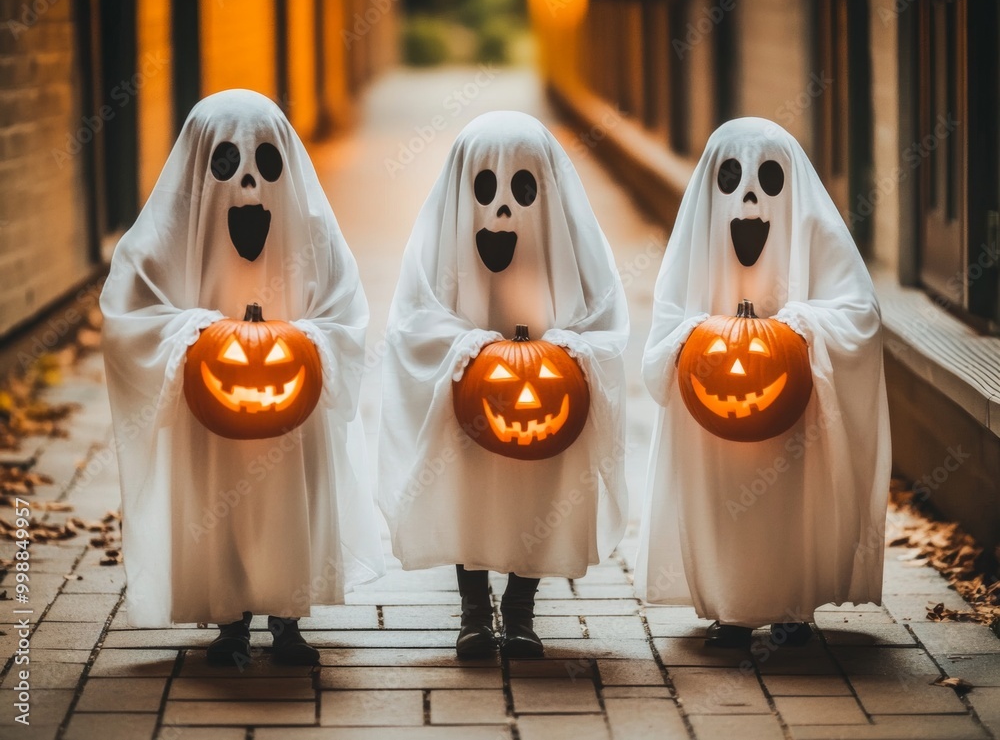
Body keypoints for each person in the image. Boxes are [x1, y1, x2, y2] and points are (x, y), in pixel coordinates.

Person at [100, 89, 383, 666]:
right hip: (210, 405)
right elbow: (129, 315)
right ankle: (230, 621)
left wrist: (303, 343)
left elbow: (345, 310)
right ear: (203, 159)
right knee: (217, 509)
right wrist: (198, 335)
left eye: (265, 163)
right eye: (229, 164)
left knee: (289, 507)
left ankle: (287, 619)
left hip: (291, 405)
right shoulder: (168, 233)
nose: (250, 183)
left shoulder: (311, 231)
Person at [378, 111, 629, 658]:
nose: (503, 209)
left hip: (545, 393)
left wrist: (564, 353)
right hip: (470, 392)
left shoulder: (575, 246)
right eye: (486, 188)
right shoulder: (438, 244)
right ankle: (473, 610)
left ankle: (520, 608)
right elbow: (412, 321)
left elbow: (605, 321)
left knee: (535, 495)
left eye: (521, 187)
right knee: (468, 489)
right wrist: (467, 351)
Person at [635, 117, 891, 648]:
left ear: (790, 184)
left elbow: (859, 313)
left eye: (768, 179)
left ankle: (792, 604)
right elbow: (663, 334)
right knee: (723, 500)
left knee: (787, 499)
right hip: (712, 405)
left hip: (792, 402)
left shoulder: (814, 229)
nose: (749, 195)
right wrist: (700, 335)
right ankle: (730, 609)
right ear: (712, 183)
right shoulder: (695, 242)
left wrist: (797, 327)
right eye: (731, 177)